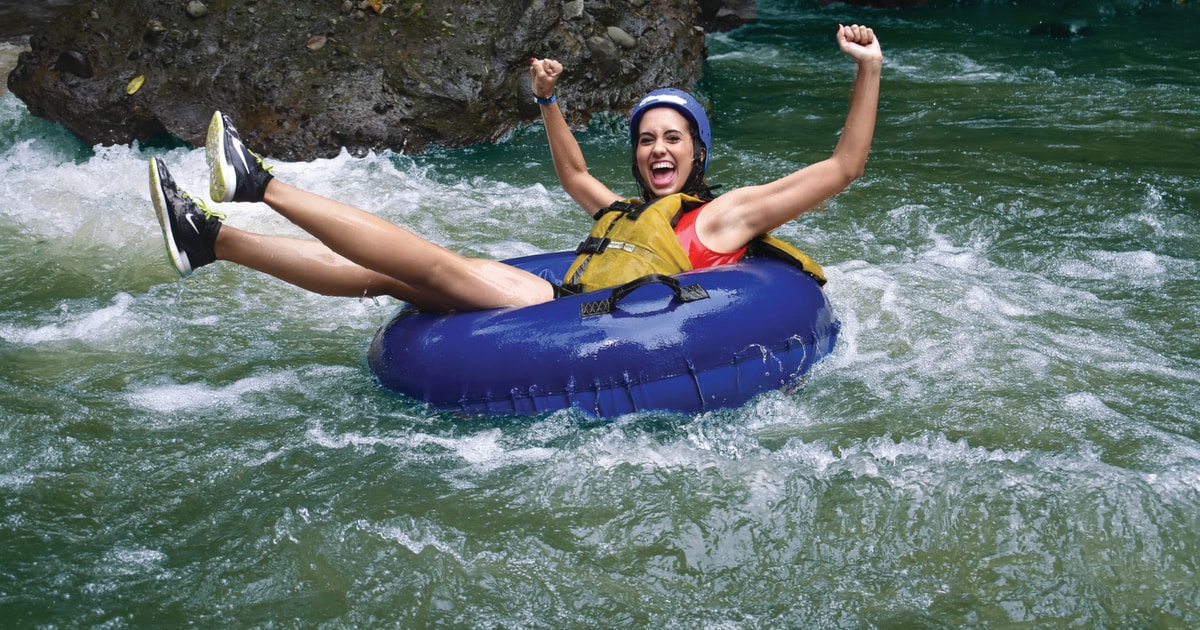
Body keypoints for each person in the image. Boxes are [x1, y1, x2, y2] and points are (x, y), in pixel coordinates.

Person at [149, 24, 881, 312]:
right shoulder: (625, 216)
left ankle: (260, 184)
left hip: (578, 320)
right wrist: (549, 99)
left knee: (434, 265)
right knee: (388, 274)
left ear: (697, 153)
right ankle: (213, 240)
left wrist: (868, 70)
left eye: (673, 140)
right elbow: (572, 177)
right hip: (563, 297)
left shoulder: (730, 214)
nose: (657, 150)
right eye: (646, 139)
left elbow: (845, 165)